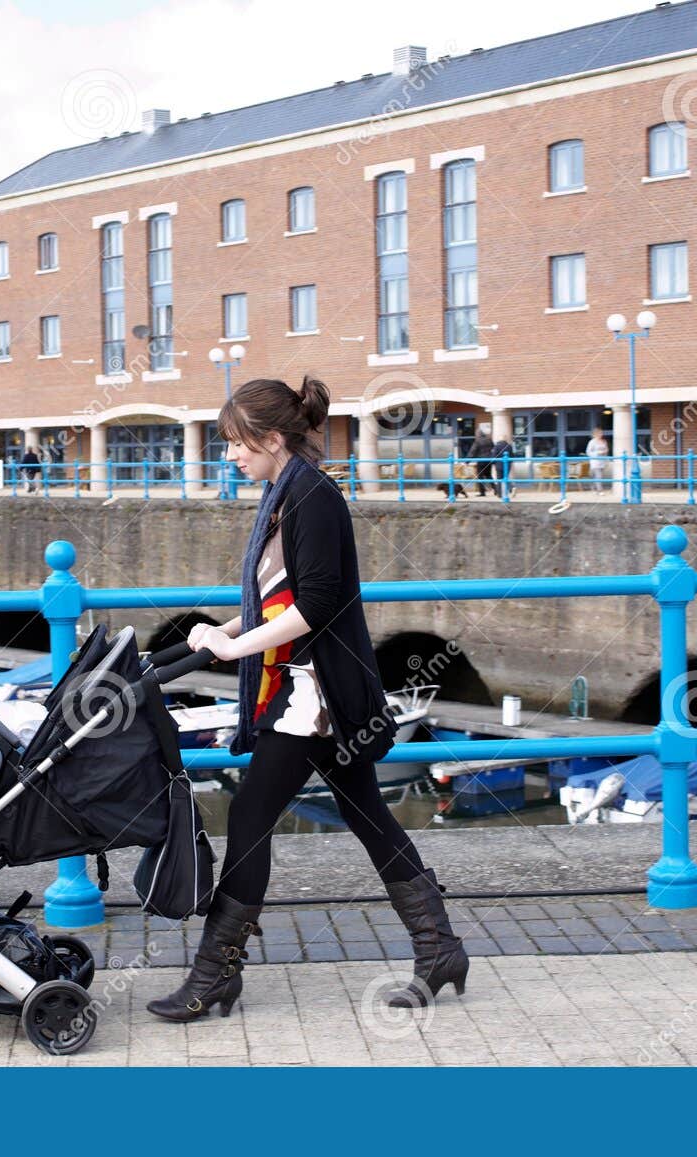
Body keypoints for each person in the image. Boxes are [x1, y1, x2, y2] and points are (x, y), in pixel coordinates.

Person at [147, 373, 469, 1023]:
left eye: (236, 443)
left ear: (270, 438)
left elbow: (317, 604)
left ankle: (215, 974)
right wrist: (226, 629)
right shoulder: (284, 492)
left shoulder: (311, 497)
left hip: (313, 691)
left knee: (250, 818)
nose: (229, 455)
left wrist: (238, 648)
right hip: (300, 686)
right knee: (367, 815)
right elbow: (280, 598)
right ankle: (440, 949)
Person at [468, 423, 495, 497]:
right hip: (489, 460)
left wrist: (467, 461)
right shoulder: (489, 440)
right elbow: (493, 449)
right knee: (489, 475)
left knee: (480, 476)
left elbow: (472, 451)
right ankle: (496, 489)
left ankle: (482, 492)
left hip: (481, 460)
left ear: (478, 434)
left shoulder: (477, 441)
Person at [585, 426, 610, 494]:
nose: (601, 434)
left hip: (603, 460)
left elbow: (606, 449)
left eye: (601, 433)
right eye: (599, 433)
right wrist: (598, 453)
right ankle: (600, 490)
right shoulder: (592, 442)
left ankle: (593, 488)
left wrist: (605, 452)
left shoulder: (604, 441)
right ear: (595, 434)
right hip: (595, 461)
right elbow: (588, 452)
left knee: (598, 476)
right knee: (598, 476)